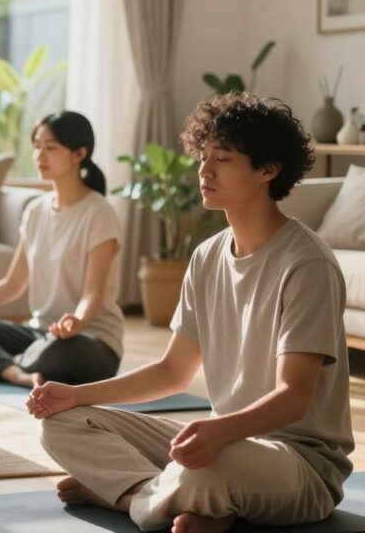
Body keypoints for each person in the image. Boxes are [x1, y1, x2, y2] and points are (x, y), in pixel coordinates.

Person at [29, 93, 353, 533]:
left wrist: (218, 434)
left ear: (268, 169)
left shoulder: (306, 263)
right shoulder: (206, 256)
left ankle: (129, 498)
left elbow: (293, 397)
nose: (204, 170)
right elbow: (172, 372)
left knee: (210, 465)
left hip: (297, 463)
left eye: (222, 158)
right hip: (223, 441)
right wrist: (77, 395)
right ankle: (175, 501)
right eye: (203, 156)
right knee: (61, 425)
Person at [0, 110, 124, 387]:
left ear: (79, 153)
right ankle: (15, 372)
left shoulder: (100, 213)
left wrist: (75, 321)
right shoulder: (36, 210)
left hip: (88, 341)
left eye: (51, 148)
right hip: (38, 334)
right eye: (37, 147)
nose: (40, 155)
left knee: (61, 352)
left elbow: (93, 294)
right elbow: (12, 285)